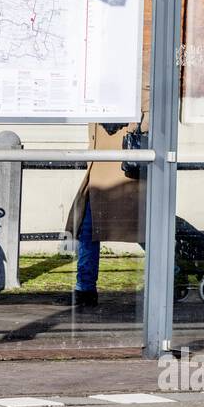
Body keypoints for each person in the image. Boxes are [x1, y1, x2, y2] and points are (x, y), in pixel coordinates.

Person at [65, 120, 146, 307]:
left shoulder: (133, 92)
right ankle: (84, 288)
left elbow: (148, 108)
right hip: (100, 163)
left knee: (136, 225)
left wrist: (135, 127)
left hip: (122, 163)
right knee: (88, 226)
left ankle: (173, 268)